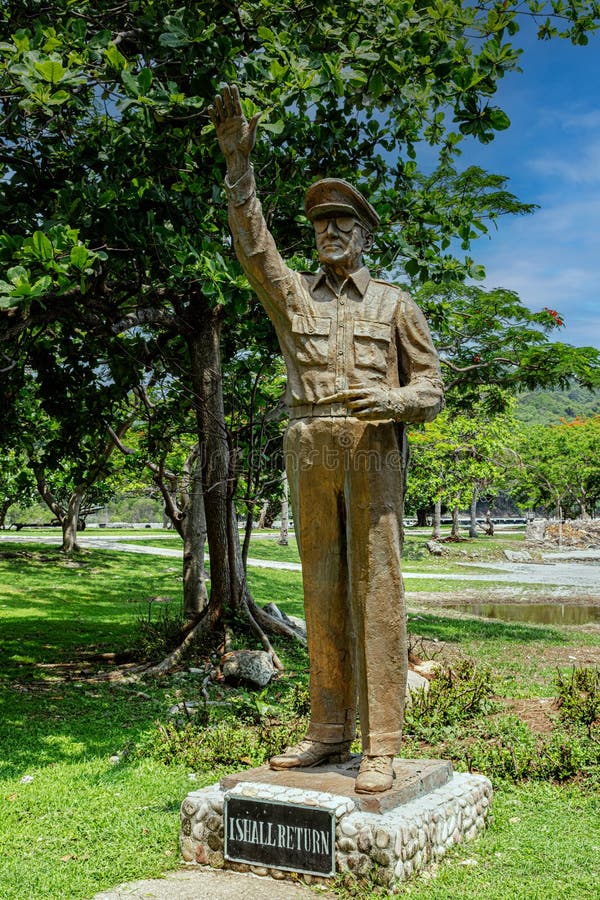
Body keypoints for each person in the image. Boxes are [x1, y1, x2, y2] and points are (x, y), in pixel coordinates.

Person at [210, 85, 444, 792]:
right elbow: (254, 248)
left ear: (366, 235)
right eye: (320, 225)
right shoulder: (294, 298)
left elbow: (432, 388)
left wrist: (393, 400)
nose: (330, 233)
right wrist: (238, 163)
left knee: (379, 590)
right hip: (309, 444)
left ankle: (384, 744)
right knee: (321, 590)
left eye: (342, 223)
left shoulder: (395, 304)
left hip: (373, 450)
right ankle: (326, 733)